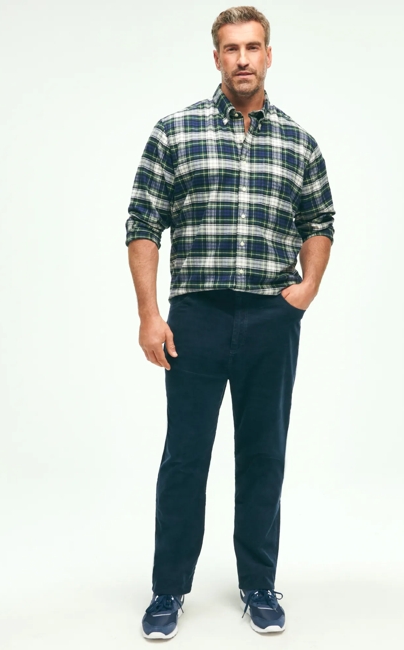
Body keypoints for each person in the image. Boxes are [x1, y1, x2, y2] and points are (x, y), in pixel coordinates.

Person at [125, 5, 335, 640]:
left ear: (268, 55)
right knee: (185, 457)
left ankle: (259, 585)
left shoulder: (299, 142)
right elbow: (143, 222)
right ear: (216, 57)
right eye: (231, 48)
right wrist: (150, 315)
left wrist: (305, 290)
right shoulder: (175, 131)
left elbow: (319, 220)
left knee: (264, 454)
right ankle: (168, 589)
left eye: (253, 47)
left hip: (272, 316)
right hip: (196, 316)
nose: (243, 58)